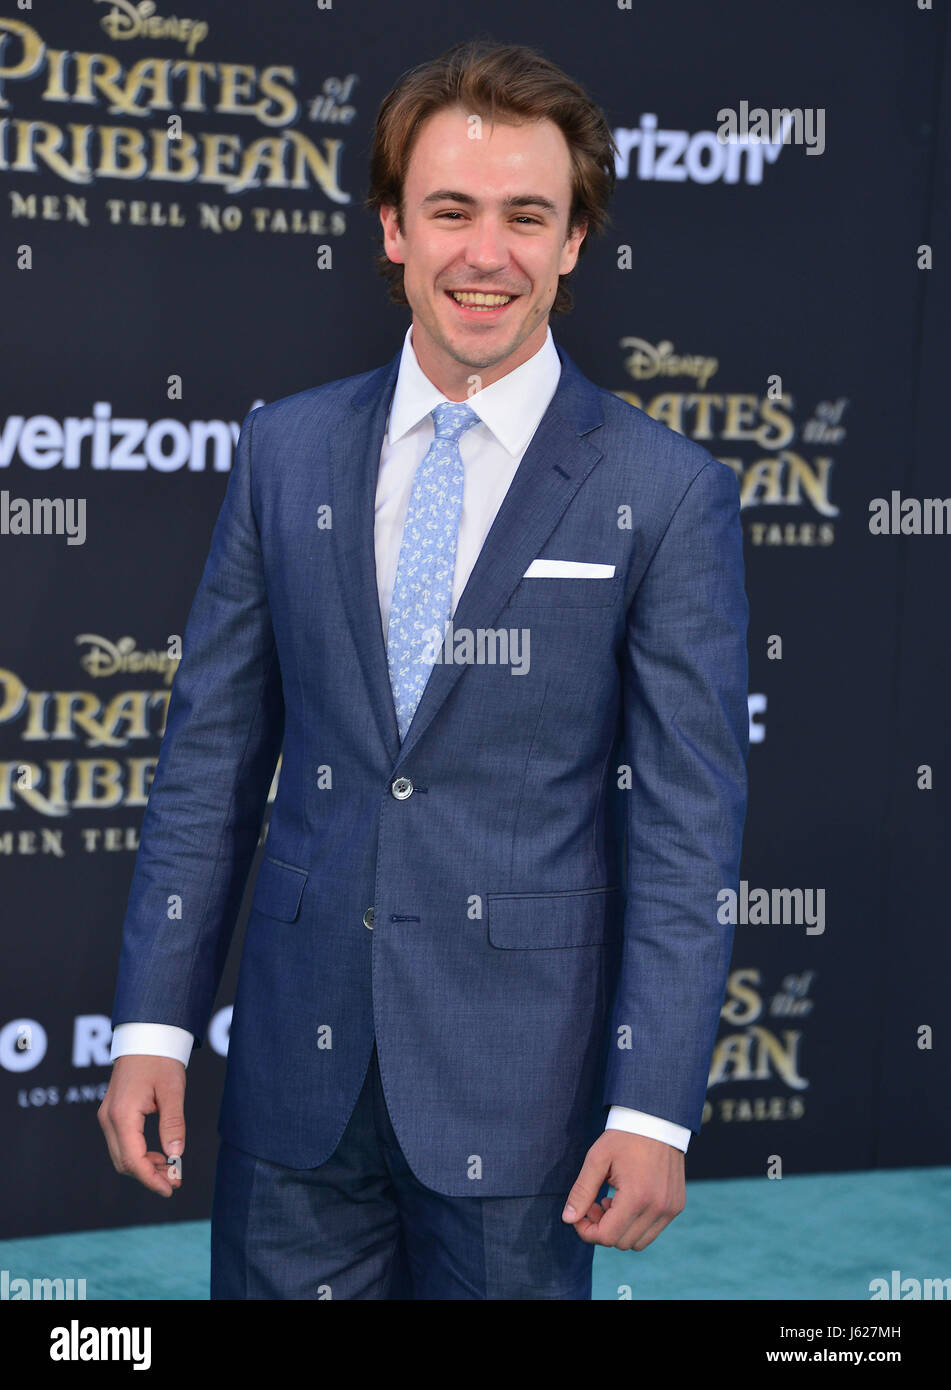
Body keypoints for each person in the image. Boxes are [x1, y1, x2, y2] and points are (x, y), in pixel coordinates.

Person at [99, 39, 749, 1300]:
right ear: (393, 228)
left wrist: (656, 1104)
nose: (485, 253)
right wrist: (152, 1024)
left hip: (522, 1099)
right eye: (450, 211)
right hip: (296, 1086)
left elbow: (687, 828)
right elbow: (212, 761)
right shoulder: (285, 452)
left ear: (573, 242)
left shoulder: (663, 493)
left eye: (527, 217)